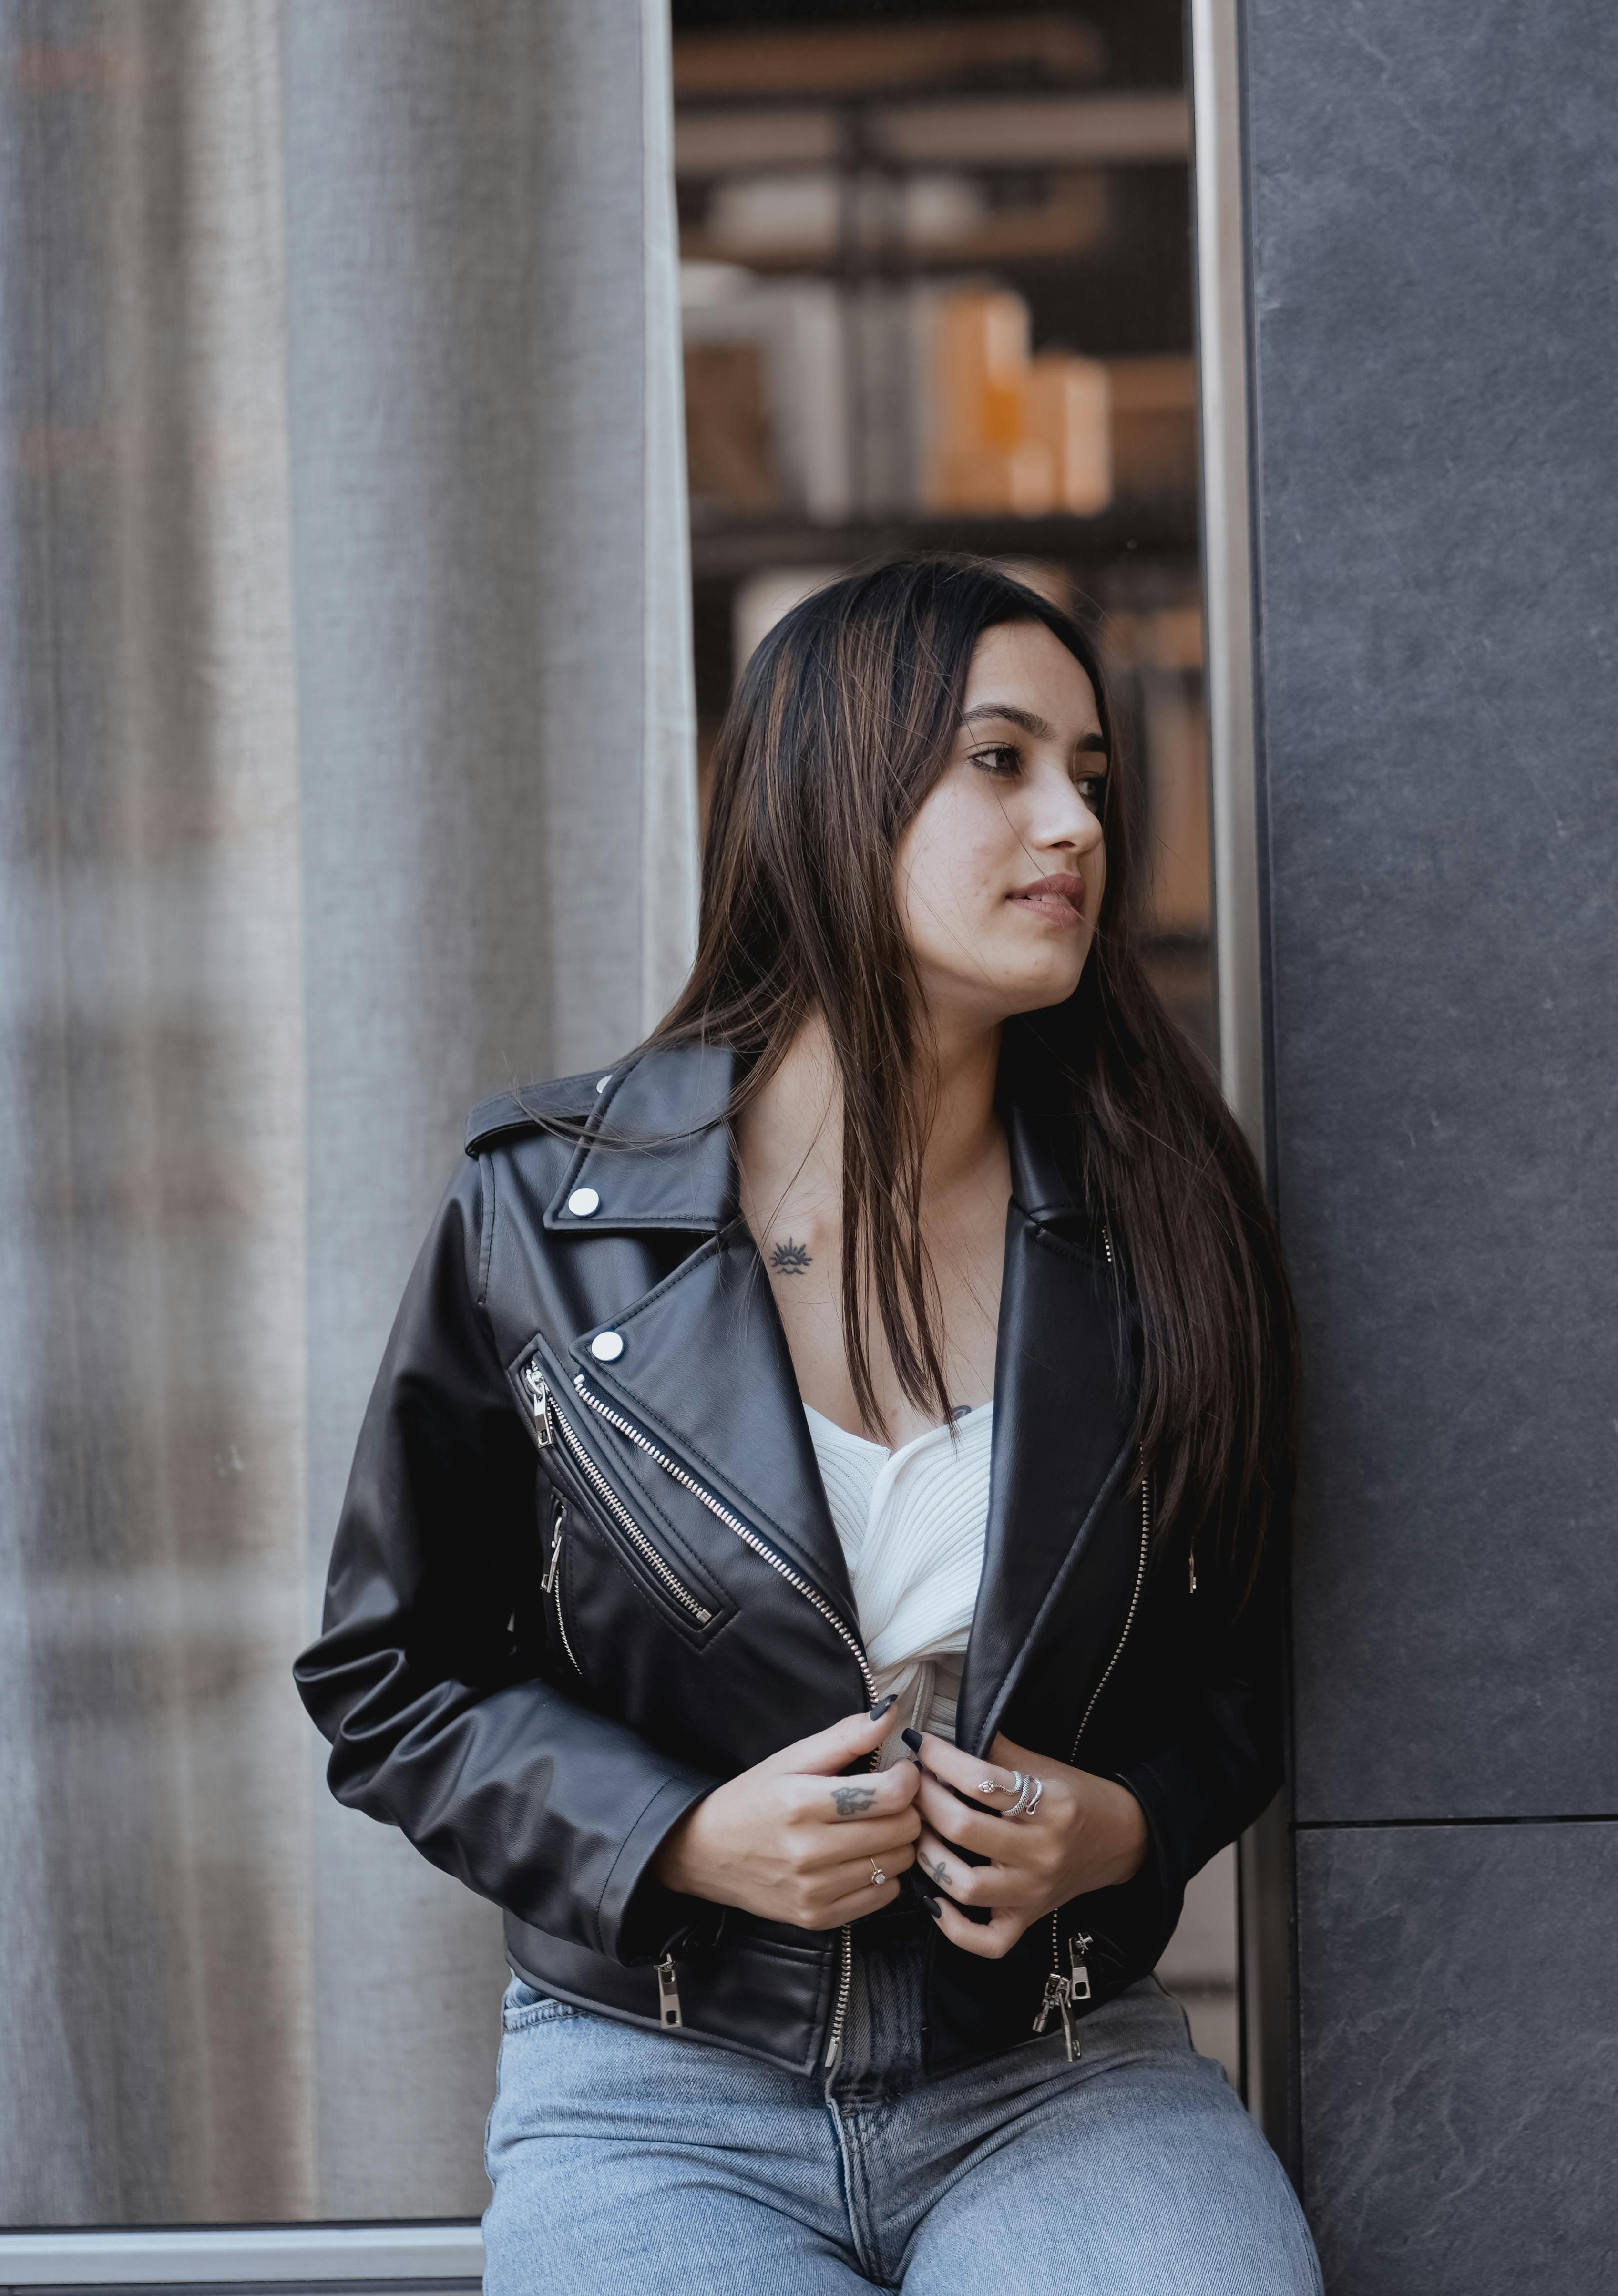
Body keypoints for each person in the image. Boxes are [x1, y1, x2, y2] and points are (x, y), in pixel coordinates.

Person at [294, 555, 1321, 2293]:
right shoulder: (549, 1213)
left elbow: (1261, 1661)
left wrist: (1124, 1825)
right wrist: (680, 1838)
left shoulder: (1168, 1210)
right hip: (653, 2092)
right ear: (835, 785)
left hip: (1060, 2080)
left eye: (1090, 773)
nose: (1073, 819)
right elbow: (388, 1680)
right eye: (1000, 762)